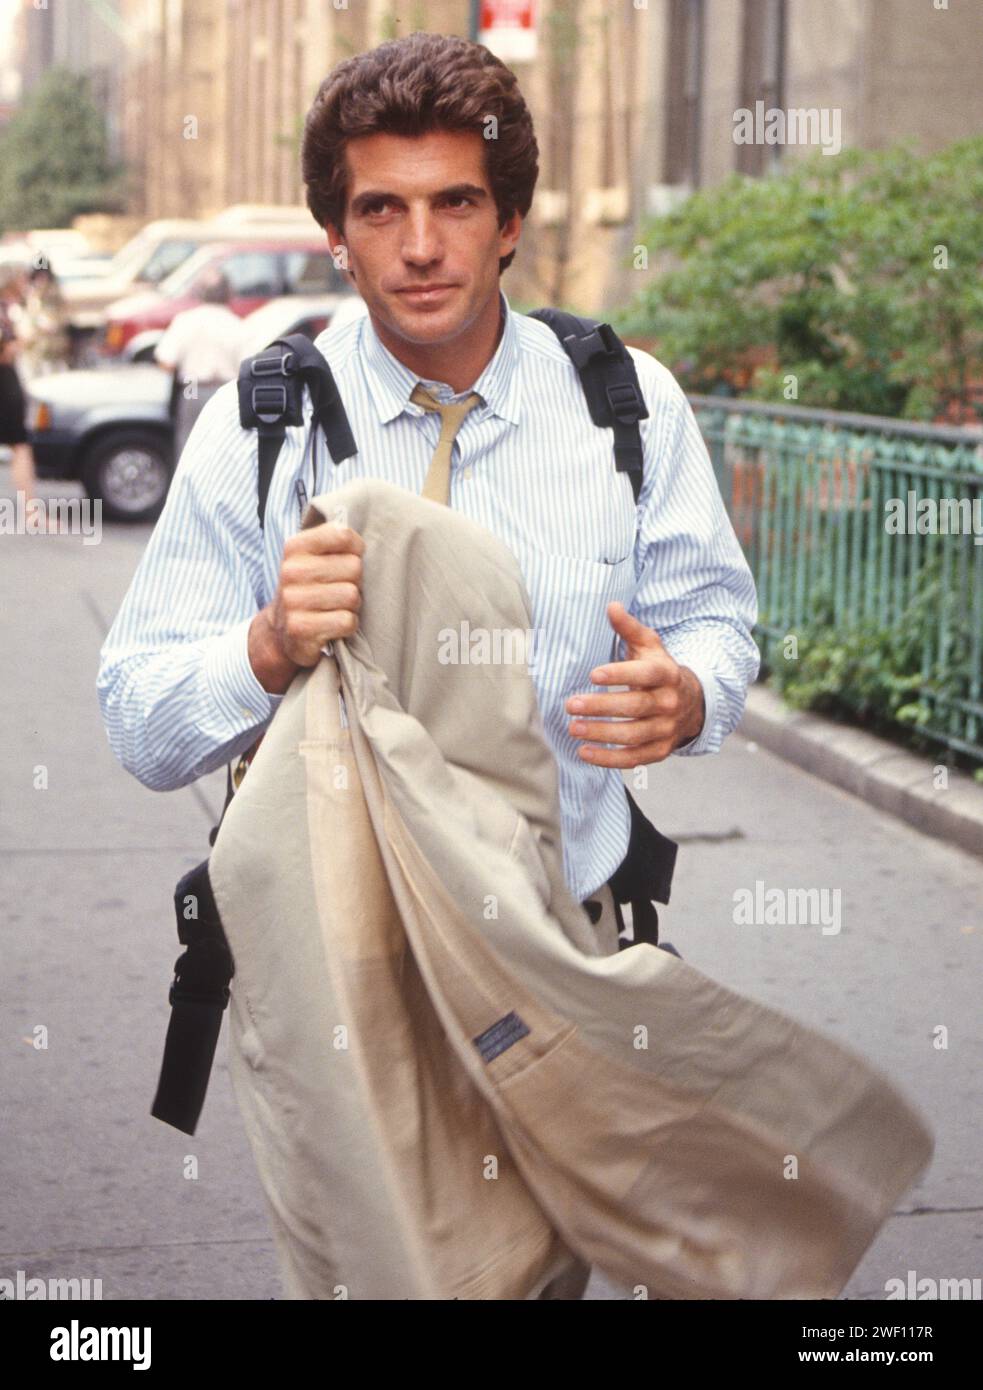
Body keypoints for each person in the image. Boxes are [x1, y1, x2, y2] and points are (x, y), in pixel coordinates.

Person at [97, 32, 760, 1298]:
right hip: (345, 983)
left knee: (545, 1276)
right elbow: (137, 715)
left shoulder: (626, 406)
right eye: (378, 210)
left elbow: (716, 622)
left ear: (508, 220)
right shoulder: (263, 423)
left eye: (455, 201)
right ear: (335, 236)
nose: (418, 245)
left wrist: (687, 695)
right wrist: (265, 645)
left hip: (564, 956)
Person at [153, 270, 244, 459]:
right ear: (228, 293)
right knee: (224, 444)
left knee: (188, 440)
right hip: (226, 388)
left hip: (192, 384)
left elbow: (165, 362)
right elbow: (247, 365)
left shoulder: (186, 320)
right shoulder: (237, 324)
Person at [0, 268, 40, 506]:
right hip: (5, 383)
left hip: (8, 381)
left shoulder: (11, 308)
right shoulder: (6, 310)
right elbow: (5, 352)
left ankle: (31, 508)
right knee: (20, 444)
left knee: (20, 444)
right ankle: (31, 509)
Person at [18, 262, 71, 377]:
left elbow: (62, 311)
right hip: (35, 337)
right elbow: (27, 313)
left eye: (44, 275)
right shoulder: (29, 292)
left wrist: (55, 323)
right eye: (38, 276)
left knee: (55, 366)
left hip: (54, 337)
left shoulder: (54, 291)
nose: (41, 279)